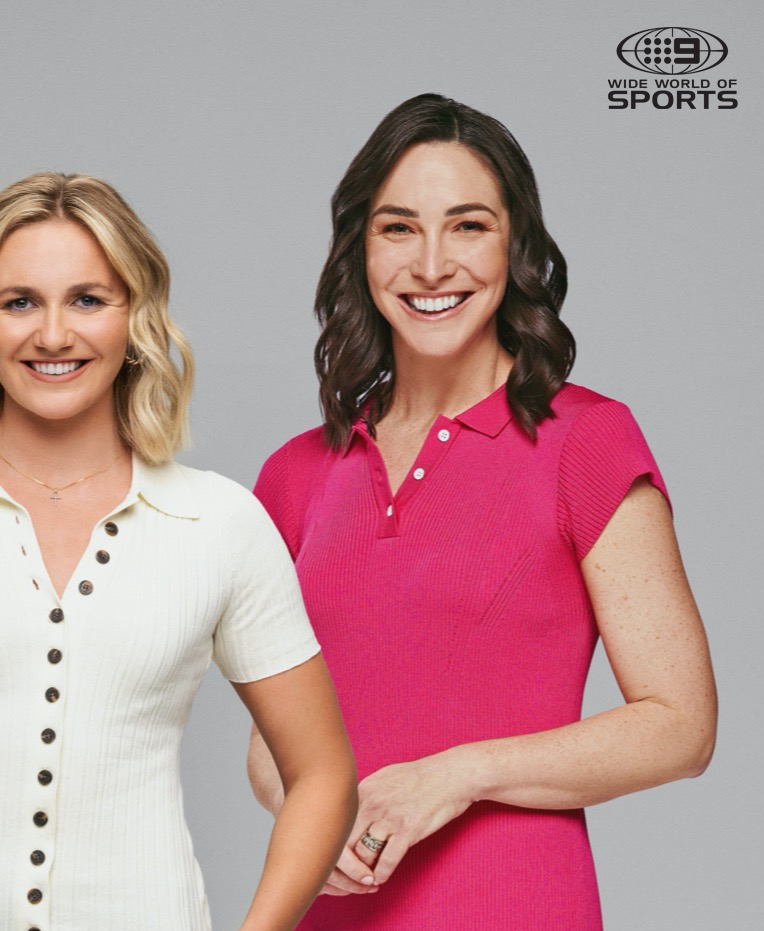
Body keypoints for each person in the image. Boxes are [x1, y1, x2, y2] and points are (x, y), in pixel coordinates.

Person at [0, 172, 357, 931]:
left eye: (88, 300)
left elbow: (323, 775)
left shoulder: (219, 522)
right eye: (18, 302)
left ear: (135, 319)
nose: (53, 335)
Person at [248, 93, 717, 930]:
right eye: (397, 228)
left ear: (514, 245)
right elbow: (268, 743)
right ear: (359, 249)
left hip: (515, 904)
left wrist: (454, 775)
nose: (431, 264)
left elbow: (679, 726)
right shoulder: (295, 475)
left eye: (467, 225)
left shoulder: (584, 442)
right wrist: (313, 811)